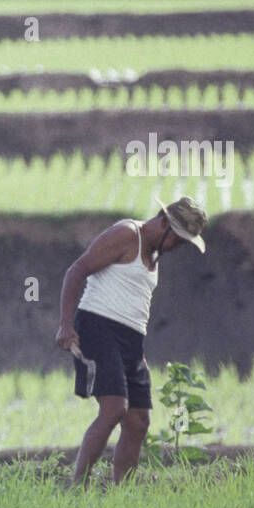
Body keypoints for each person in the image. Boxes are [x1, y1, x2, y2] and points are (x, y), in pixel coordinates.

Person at [53, 196, 208, 487]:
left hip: (131, 339)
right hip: (98, 327)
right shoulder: (127, 235)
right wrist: (65, 324)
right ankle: (77, 488)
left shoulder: (155, 253)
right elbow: (76, 271)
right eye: (178, 239)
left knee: (138, 422)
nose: (178, 246)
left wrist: (135, 349)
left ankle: (123, 494)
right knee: (114, 409)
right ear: (163, 222)